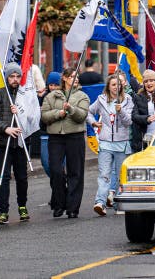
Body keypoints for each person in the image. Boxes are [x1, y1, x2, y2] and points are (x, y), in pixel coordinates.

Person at [42, 68, 90, 219]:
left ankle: (72, 207)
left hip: (74, 136)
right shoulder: (51, 96)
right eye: (72, 77)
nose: (75, 79)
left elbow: (82, 116)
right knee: (55, 170)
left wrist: (71, 109)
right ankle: (59, 203)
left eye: (77, 77)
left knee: (75, 172)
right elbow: (44, 116)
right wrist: (59, 113)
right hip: (56, 138)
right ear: (64, 78)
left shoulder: (82, 96)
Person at [0, 63, 30, 224]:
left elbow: (32, 114)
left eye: (18, 76)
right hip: (3, 143)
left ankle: (22, 206)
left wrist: (20, 115)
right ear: (7, 77)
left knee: (22, 177)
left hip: (20, 143)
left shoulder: (24, 95)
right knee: (3, 178)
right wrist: (6, 128)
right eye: (12, 76)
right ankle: (3, 210)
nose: (15, 79)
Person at [88, 74, 133, 216]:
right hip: (106, 142)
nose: (116, 87)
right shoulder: (101, 100)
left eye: (118, 84)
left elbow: (129, 122)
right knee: (104, 175)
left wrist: (121, 111)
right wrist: (93, 122)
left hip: (122, 143)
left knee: (121, 175)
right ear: (108, 86)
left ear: (122, 86)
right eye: (113, 84)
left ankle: (119, 203)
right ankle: (100, 202)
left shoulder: (128, 100)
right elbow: (89, 112)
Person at [39, 72, 62, 176]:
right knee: (46, 163)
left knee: (60, 165)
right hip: (45, 134)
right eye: (51, 85)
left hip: (60, 134)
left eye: (56, 85)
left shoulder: (64, 96)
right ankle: (57, 183)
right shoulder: (43, 96)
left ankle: (59, 186)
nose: (53, 87)